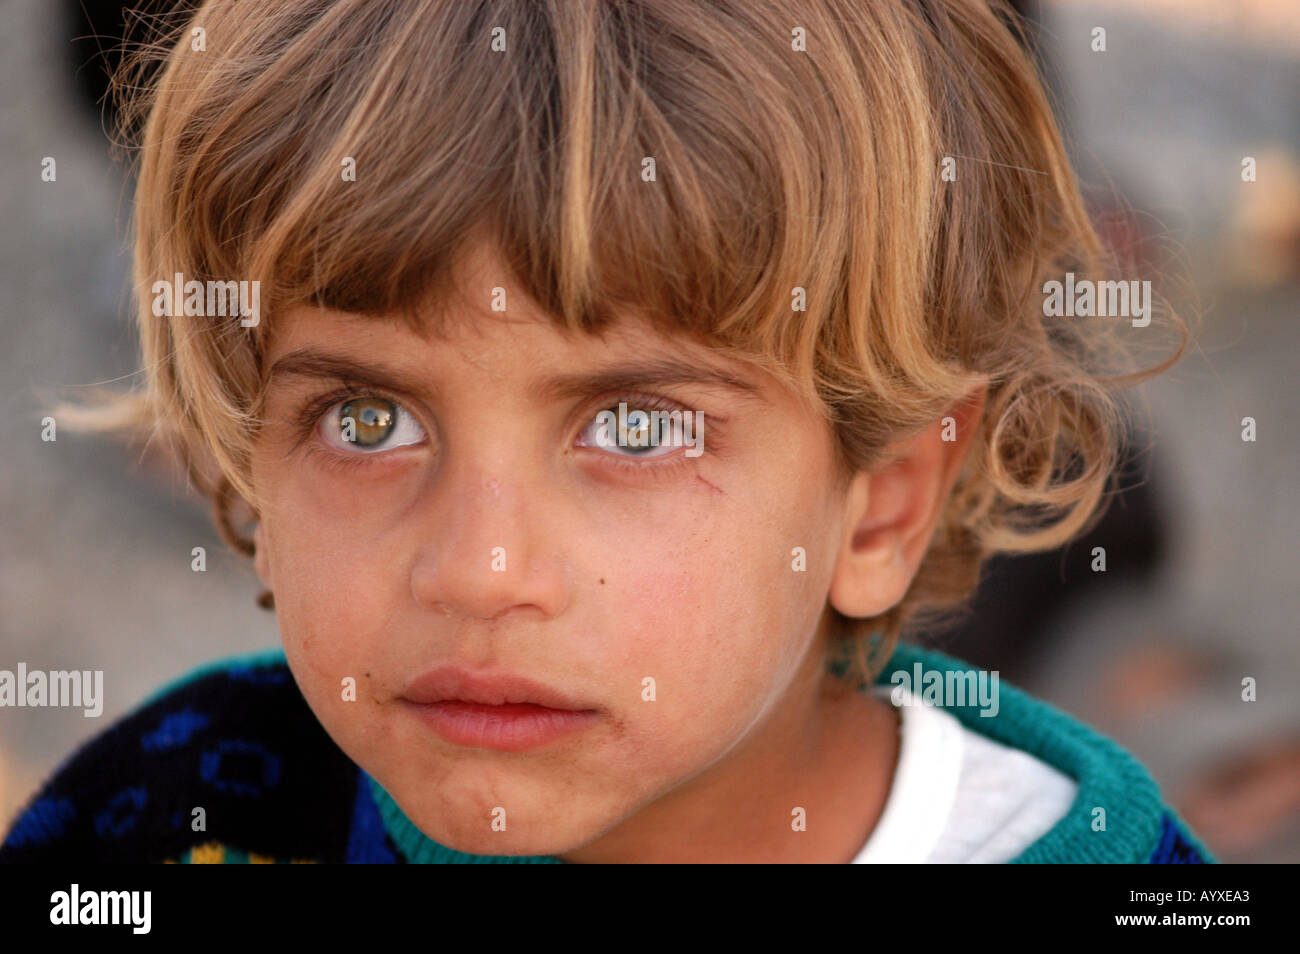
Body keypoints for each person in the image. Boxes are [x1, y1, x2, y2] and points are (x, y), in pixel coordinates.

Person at [2, 0, 1211, 863]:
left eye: (635, 429)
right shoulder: (179, 810)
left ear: (883, 503)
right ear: (243, 458)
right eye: (366, 420)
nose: (480, 571)